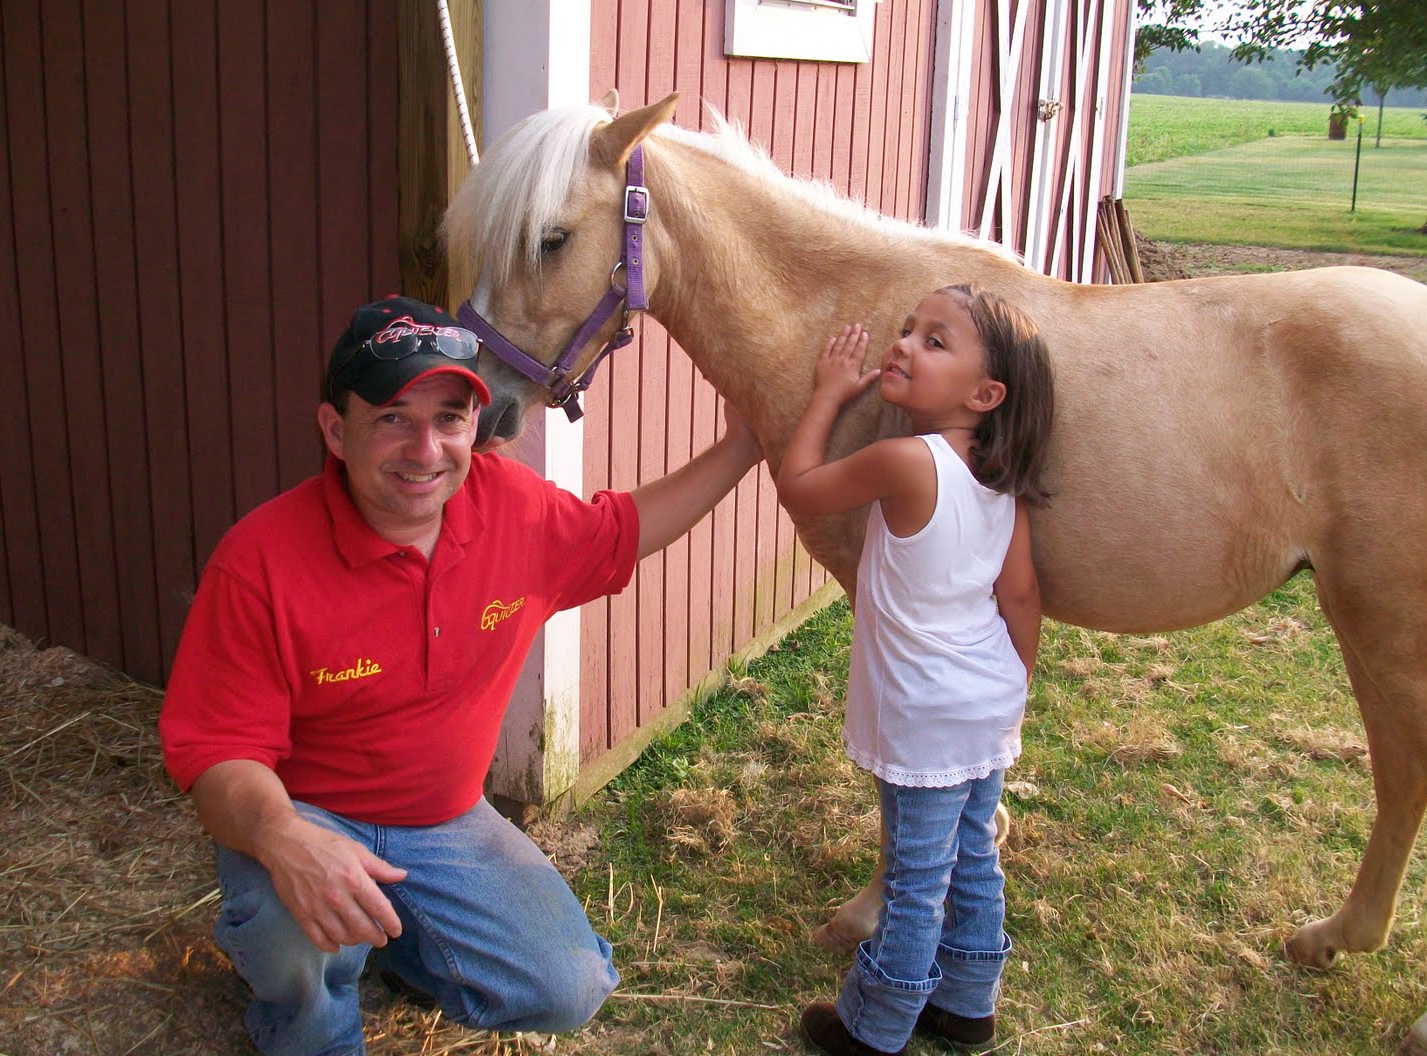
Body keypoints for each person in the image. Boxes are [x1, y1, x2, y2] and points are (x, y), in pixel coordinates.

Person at [158, 295, 763, 1056]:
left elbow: (621, 532)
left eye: (449, 417)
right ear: (334, 431)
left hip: (443, 820)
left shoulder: (511, 508)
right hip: (308, 814)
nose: (425, 449)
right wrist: (280, 836)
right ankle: (304, 1019)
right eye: (391, 419)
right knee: (290, 936)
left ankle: (400, 945)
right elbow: (218, 757)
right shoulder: (259, 562)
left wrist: (746, 446)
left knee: (569, 987)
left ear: (475, 426)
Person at [775, 284, 1055, 1056]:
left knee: (915, 877)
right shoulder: (1003, 480)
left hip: (925, 716)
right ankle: (968, 1003)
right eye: (907, 329)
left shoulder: (905, 461)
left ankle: (877, 1025)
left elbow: (798, 487)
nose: (902, 344)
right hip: (986, 697)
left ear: (985, 392)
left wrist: (828, 397)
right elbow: (1021, 595)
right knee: (972, 856)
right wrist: (1013, 694)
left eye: (935, 341)